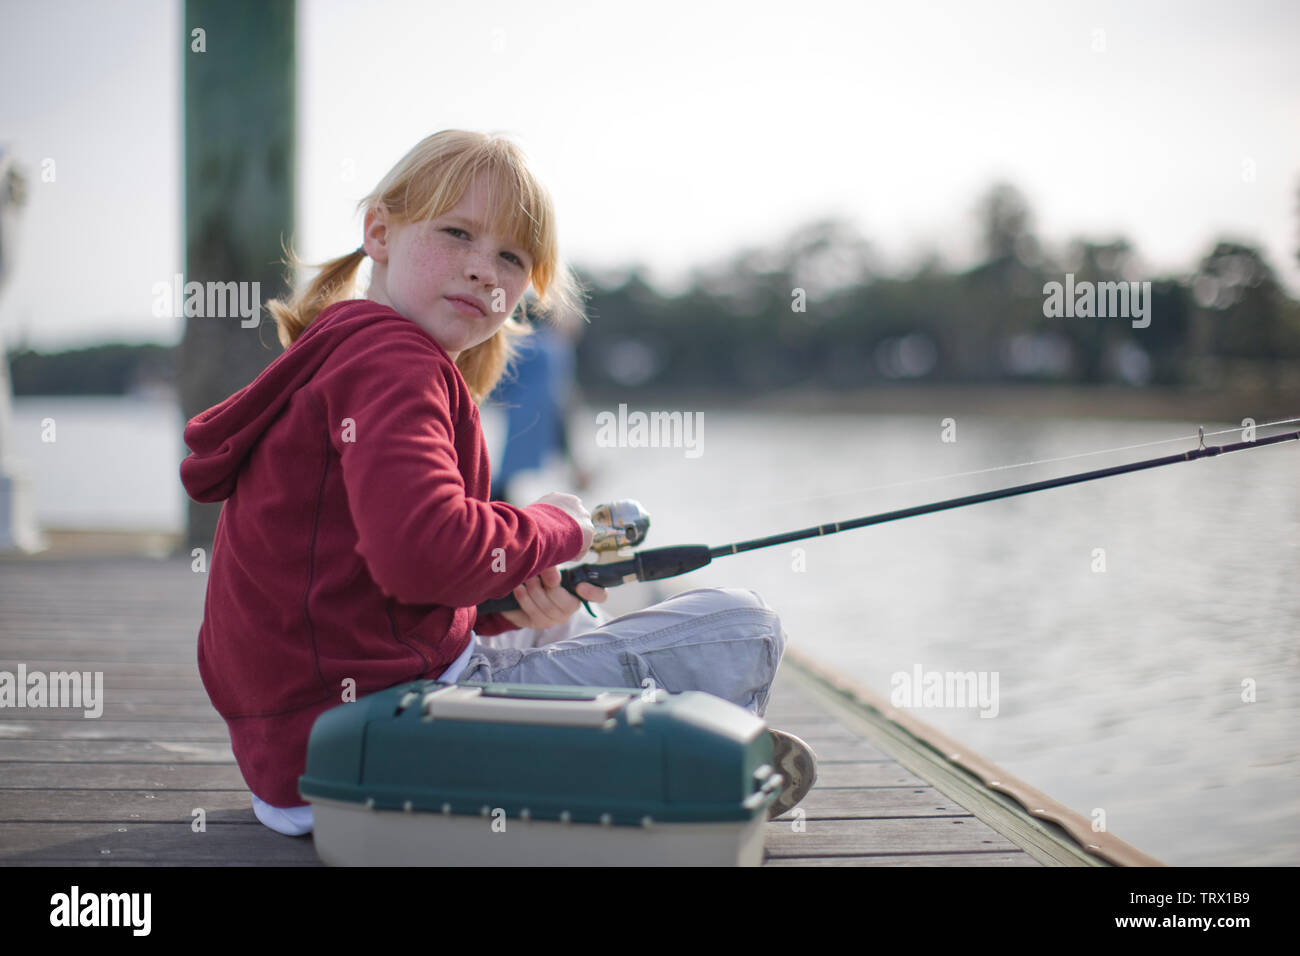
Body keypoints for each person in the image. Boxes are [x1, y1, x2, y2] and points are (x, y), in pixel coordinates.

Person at [179, 130, 813, 839]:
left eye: (511, 256)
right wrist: (558, 528)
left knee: (567, 616)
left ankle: (628, 761)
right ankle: (687, 781)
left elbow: (370, 593)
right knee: (742, 627)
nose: (486, 270)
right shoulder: (394, 360)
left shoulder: (343, 352)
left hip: (293, 762)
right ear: (379, 232)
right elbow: (420, 550)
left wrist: (499, 606)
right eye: (457, 233)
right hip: (375, 746)